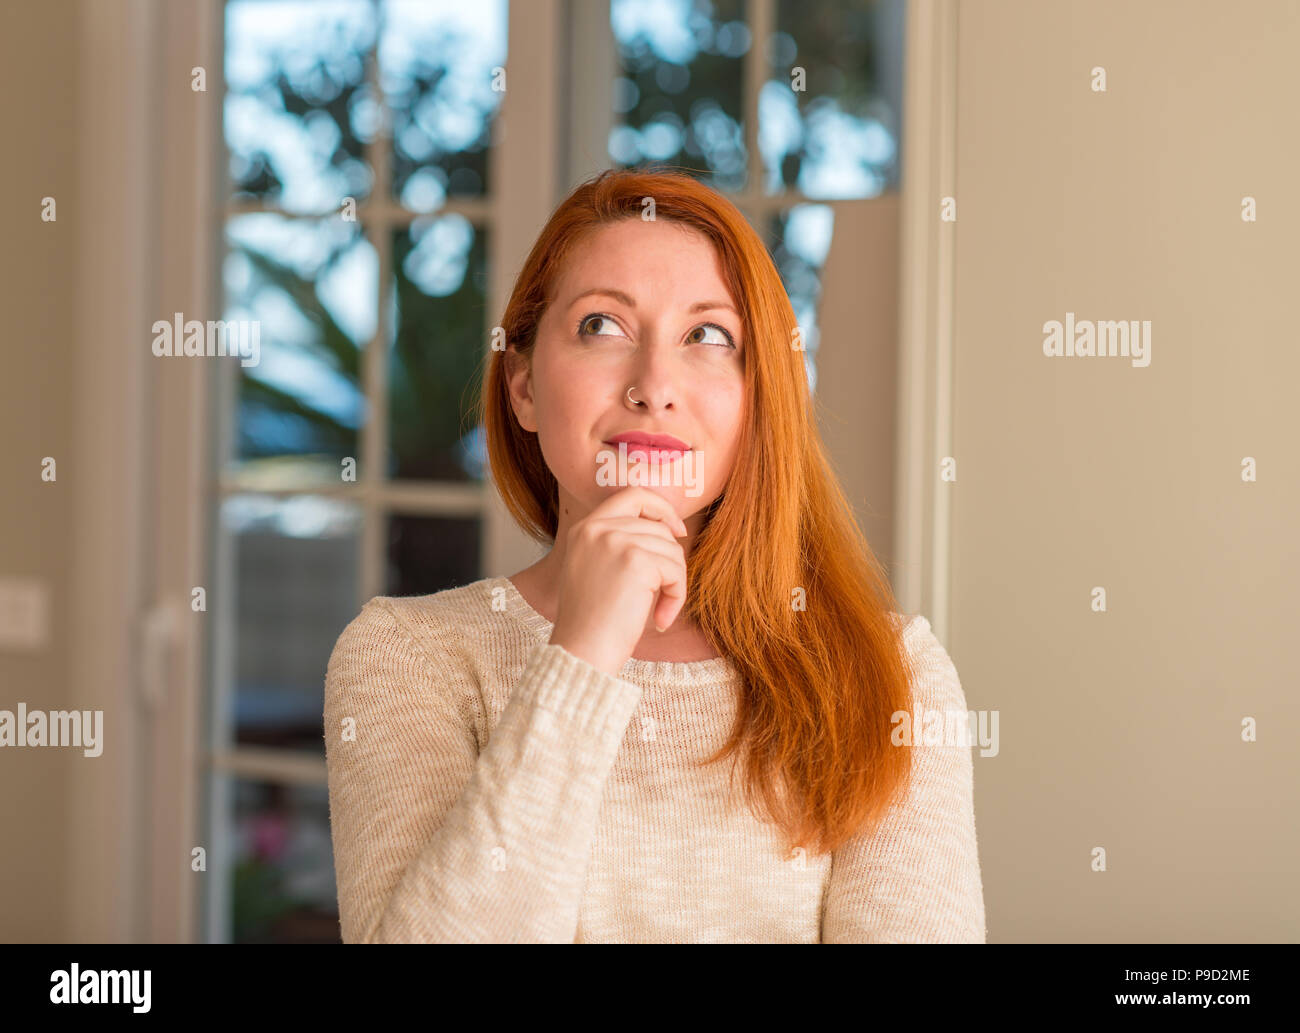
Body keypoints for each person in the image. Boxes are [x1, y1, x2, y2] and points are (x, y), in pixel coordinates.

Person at [323, 166, 987, 943]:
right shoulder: (405, 657)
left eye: (708, 336)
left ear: (756, 397)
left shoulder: (891, 672)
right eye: (602, 326)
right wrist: (582, 654)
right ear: (524, 386)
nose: (654, 385)